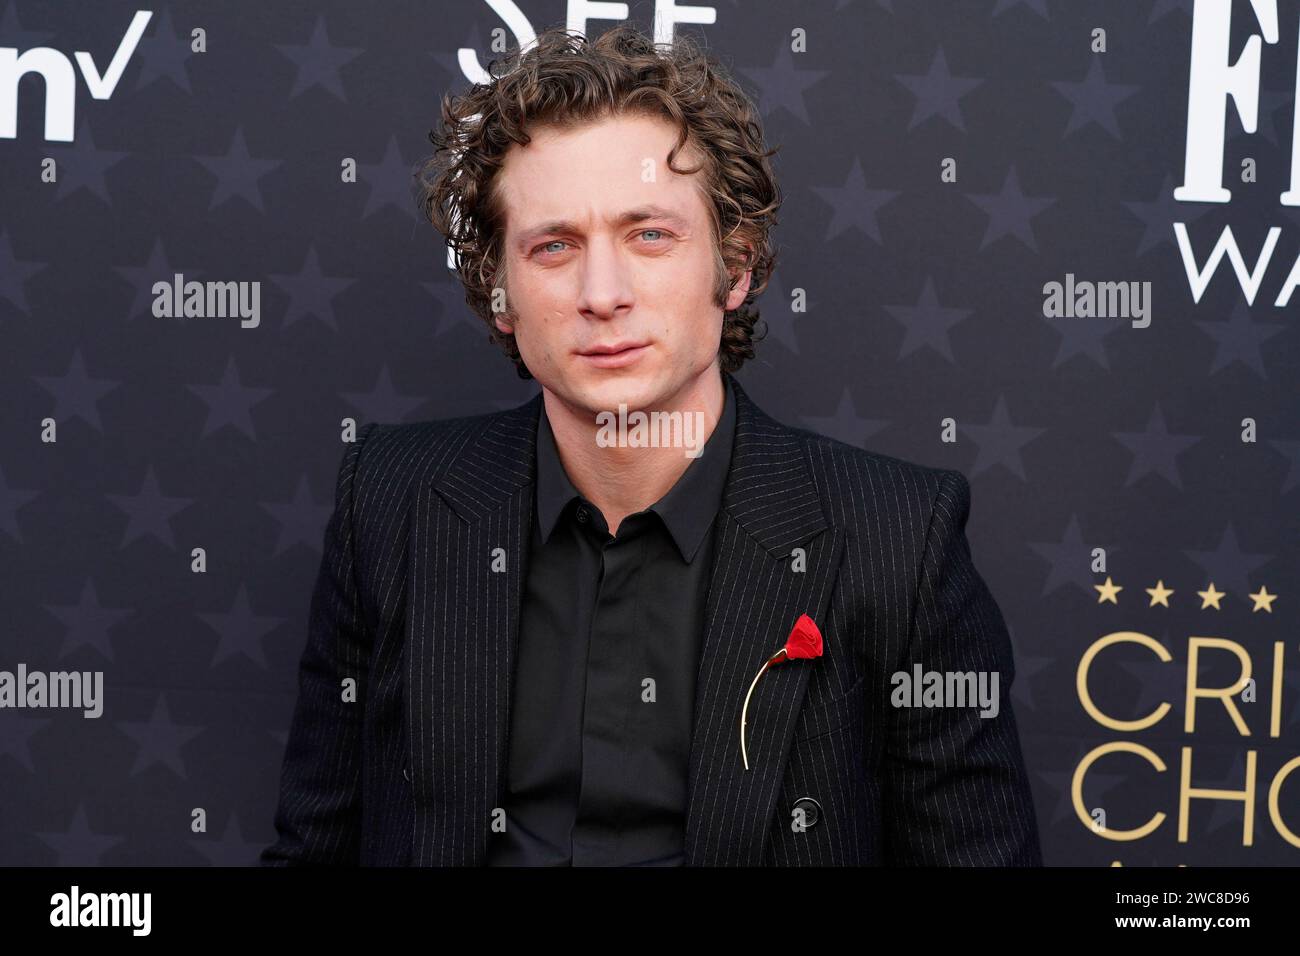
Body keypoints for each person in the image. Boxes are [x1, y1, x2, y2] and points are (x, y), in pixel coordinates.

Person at [261, 23, 1042, 866]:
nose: (603, 294)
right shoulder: (390, 503)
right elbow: (316, 849)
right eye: (554, 246)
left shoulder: (897, 542)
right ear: (499, 290)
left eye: (650, 236)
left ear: (736, 265)